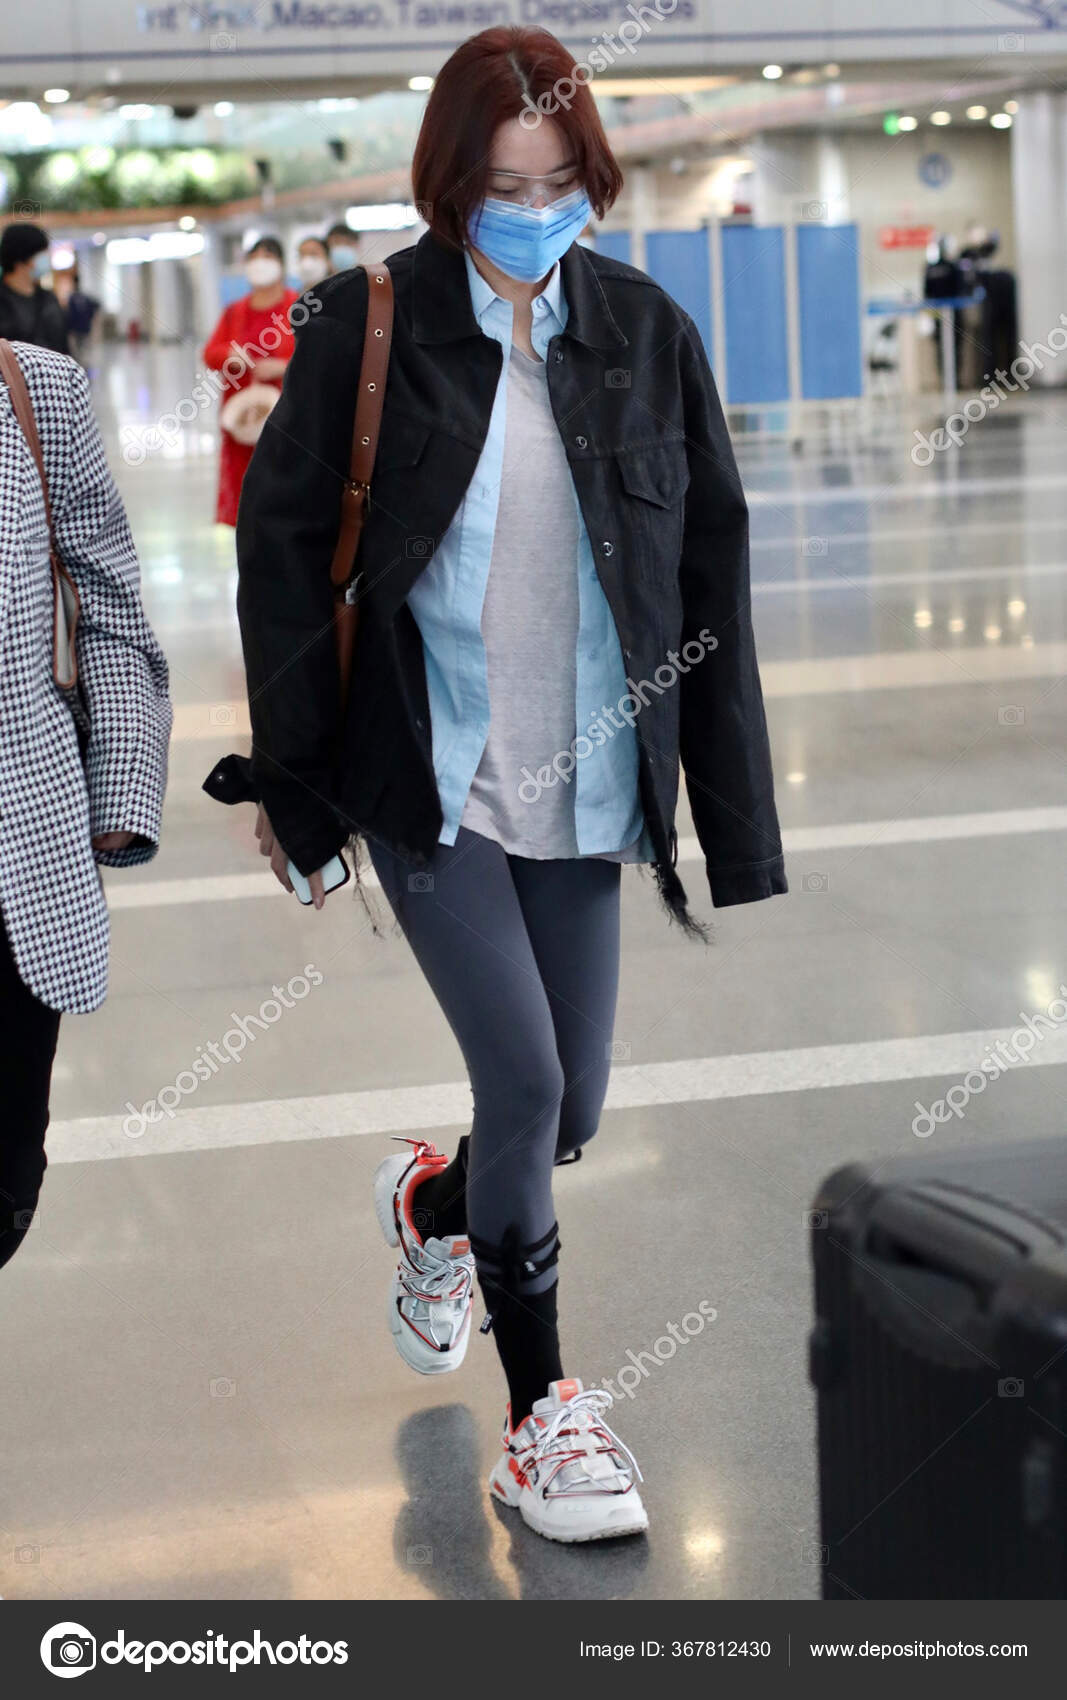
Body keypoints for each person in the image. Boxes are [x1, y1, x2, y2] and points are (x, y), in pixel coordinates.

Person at [222, 25, 786, 1545]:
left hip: (588, 784)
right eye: (498, 185)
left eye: (559, 182)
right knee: (526, 1082)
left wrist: (729, 819)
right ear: (448, 182)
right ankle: (544, 1416)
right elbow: (279, 558)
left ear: (591, 178)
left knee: (571, 1107)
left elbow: (706, 582)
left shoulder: (644, 332)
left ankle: (432, 1208)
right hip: (432, 774)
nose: (532, 212)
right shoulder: (365, 320)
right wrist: (293, 778)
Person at [0, 340, 171, 1274]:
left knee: (8, 1185)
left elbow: (105, 599)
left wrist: (119, 792)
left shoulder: (34, 390)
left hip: (17, 844)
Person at [202, 235, 298, 526]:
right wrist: (230, 355)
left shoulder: (297, 306)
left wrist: (284, 367)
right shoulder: (235, 312)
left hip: (287, 418)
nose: (260, 264)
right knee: (247, 497)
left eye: (268, 256)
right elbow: (210, 353)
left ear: (281, 265)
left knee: (285, 490)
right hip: (243, 419)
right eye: (254, 257)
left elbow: (316, 356)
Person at [0, 224, 70, 354]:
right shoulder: (3, 302)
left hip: (53, 373)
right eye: (43, 253)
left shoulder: (49, 299)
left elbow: (64, 348)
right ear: (24, 257)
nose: (48, 258)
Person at [64, 267, 102, 365]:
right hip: (84, 327)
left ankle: (79, 362)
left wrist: (69, 327)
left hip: (76, 327)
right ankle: (83, 362)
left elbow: (69, 314)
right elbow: (94, 308)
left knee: (78, 347)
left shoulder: (72, 298)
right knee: (84, 347)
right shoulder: (85, 297)